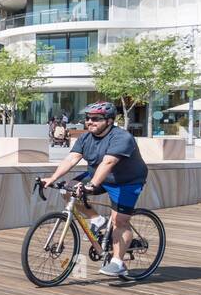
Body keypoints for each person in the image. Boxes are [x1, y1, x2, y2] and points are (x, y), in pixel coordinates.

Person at [36, 101, 148, 278]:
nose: (90, 122)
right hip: (99, 176)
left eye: (96, 119)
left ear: (110, 120)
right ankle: (96, 220)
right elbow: (71, 159)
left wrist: (92, 185)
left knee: (120, 220)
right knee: (67, 189)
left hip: (126, 181)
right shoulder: (85, 138)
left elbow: (108, 162)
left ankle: (118, 262)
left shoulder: (121, 137)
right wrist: (52, 178)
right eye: (87, 118)